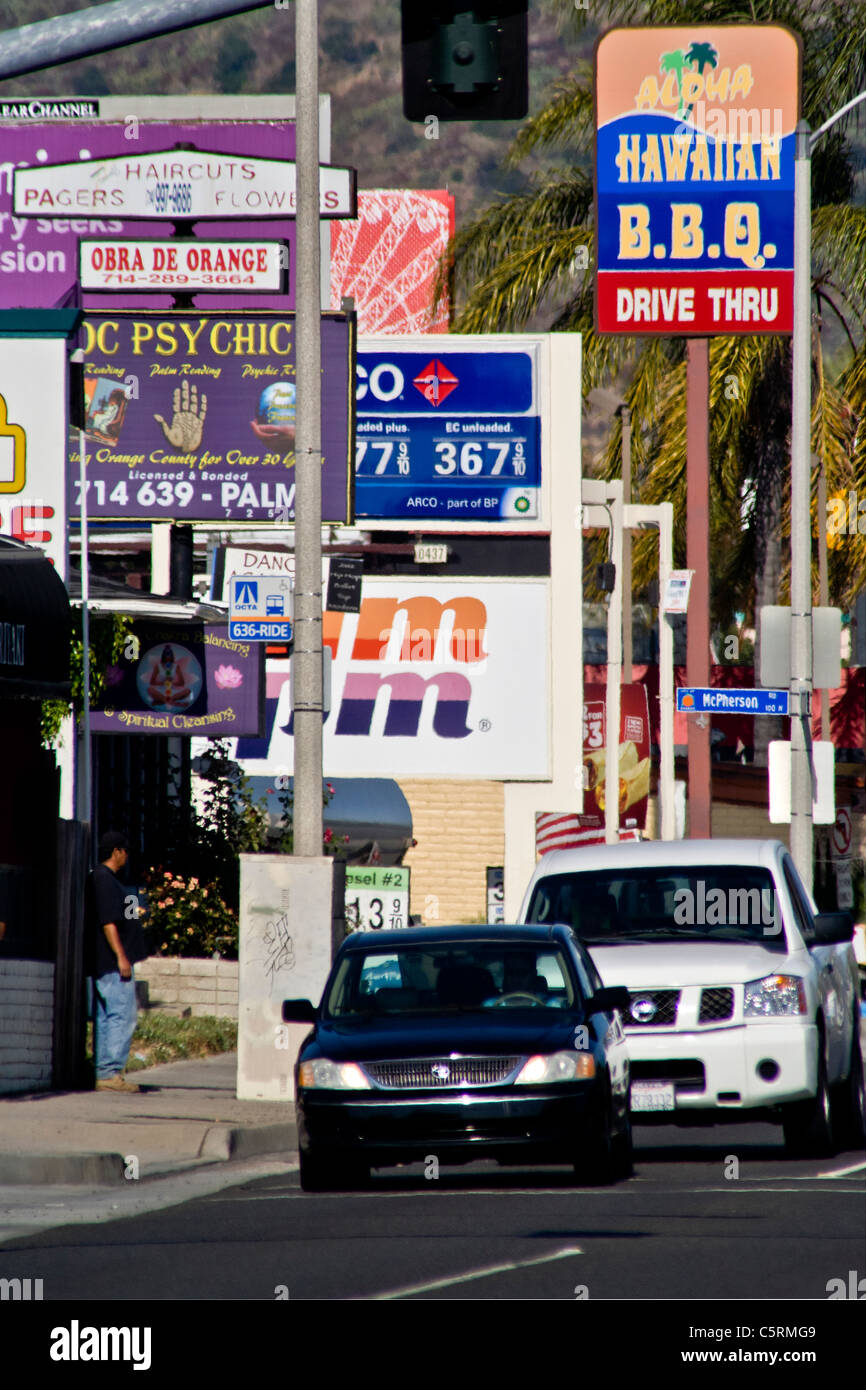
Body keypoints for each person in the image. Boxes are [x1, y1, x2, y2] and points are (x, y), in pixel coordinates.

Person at [88, 831, 144, 1093]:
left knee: (108, 1016)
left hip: (111, 962)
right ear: (116, 851)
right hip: (113, 962)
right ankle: (110, 1072)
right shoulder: (104, 880)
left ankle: (104, 1071)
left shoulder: (114, 881)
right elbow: (108, 923)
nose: (127, 856)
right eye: (125, 850)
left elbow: (127, 915)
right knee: (122, 1015)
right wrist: (122, 956)